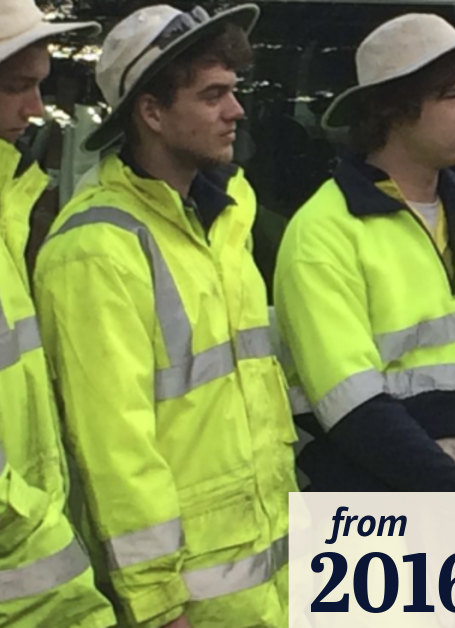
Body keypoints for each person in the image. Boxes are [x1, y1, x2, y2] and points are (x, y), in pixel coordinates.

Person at [33, 5, 294, 626]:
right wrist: (156, 606)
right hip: (195, 604)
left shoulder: (226, 216)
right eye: (213, 96)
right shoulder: (95, 249)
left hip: (277, 578)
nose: (237, 111)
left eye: (234, 90)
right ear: (151, 113)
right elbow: (114, 453)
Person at [274, 13, 455, 492]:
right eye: (453, 96)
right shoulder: (321, 232)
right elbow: (351, 406)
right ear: (391, 108)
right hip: (373, 503)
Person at [0, 2, 116, 625]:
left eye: (39, 85)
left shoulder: (10, 214)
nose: (34, 109)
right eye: (16, 87)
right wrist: (34, 526)